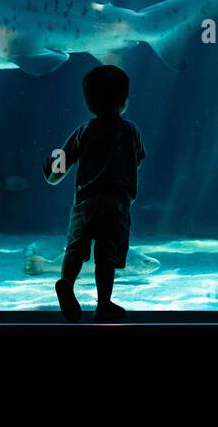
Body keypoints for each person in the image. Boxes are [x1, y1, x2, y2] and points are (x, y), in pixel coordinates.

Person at [43, 64, 146, 322]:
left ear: (88, 101)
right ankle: (103, 304)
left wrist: (49, 173)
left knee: (75, 248)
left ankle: (66, 282)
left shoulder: (83, 131)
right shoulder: (131, 131)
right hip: (116, 205)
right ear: (124, 100)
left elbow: (58, 170)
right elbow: (139, 160)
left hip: (85, 202)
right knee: (106, 256)